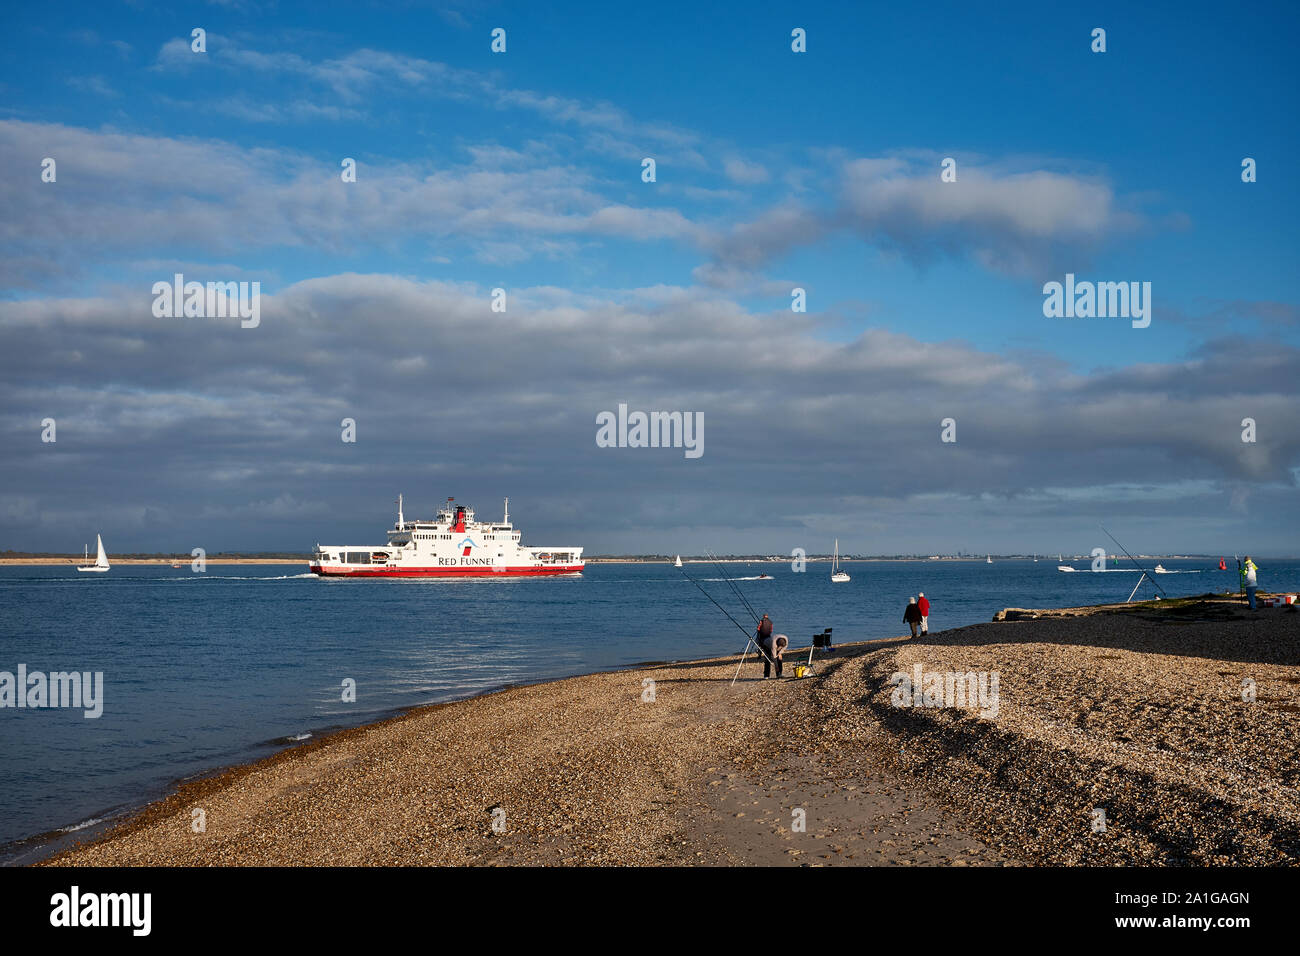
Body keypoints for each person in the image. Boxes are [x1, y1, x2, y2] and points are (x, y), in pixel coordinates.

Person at [755, 613, 787, 678]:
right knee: (768, 658)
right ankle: (766, 675)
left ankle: (779, 674)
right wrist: (775, 665)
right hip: (766, 645)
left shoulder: (785, 639)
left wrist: (780, 653)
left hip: (768, 639)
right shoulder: (773, 644)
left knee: (780, 658)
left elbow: (784, 648)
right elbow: (774, 656)